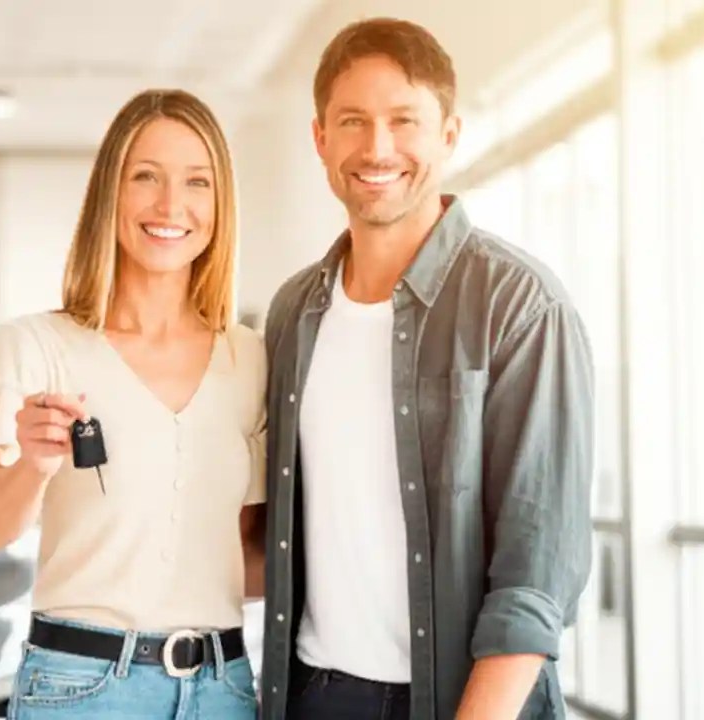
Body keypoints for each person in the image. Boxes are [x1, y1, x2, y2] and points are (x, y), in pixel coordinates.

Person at [255, 17, 596, 720]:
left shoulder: (520, 305)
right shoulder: (293, 312)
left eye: (403, 120)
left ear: (448, 134)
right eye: (352, 121)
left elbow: (537, 573)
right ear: (320, 138)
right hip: (314, 695)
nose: (377, 147)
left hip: (461, 702)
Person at [0, 88, 268, 720]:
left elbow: (247, 562)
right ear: (109, 194)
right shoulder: (36, 344)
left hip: (220, 689)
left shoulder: (249, 358)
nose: (171, 205)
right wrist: (33, 464)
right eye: (145, 176)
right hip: (83, 689)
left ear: (219, 204)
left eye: (196, 182)